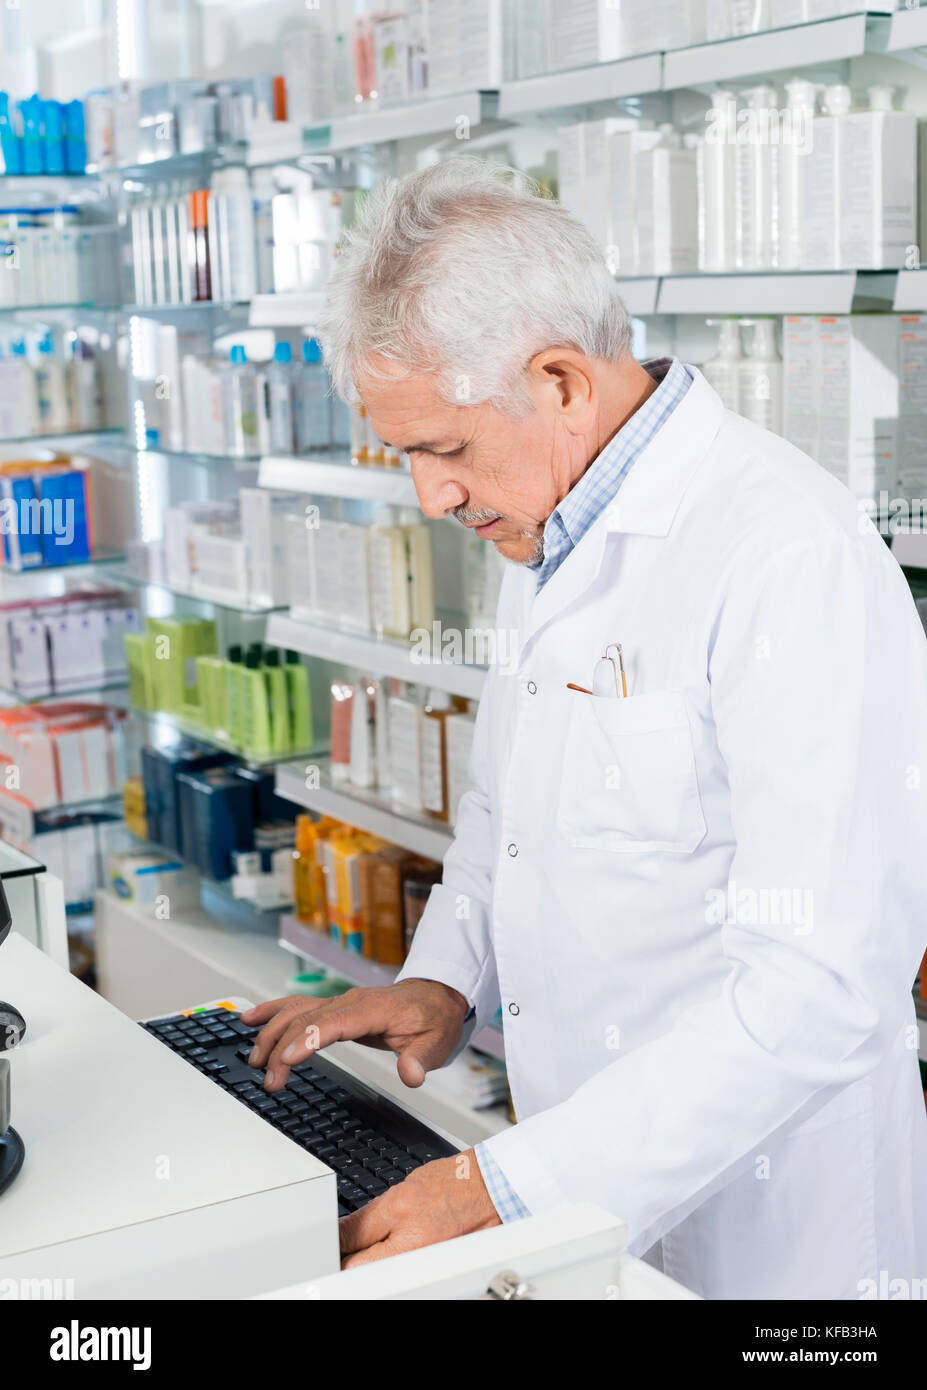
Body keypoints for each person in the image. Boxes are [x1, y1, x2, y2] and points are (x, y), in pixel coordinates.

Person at [244, 158, 927, 1297]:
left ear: (560, 380)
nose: (431, 498)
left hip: (779, 1230)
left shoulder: (786, 554)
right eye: (407, 452)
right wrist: (445, 980)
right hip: (590, 1186)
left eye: (445, 449)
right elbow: (509, 812)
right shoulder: (552, 518)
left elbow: (822, 979)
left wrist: (507, 1188)